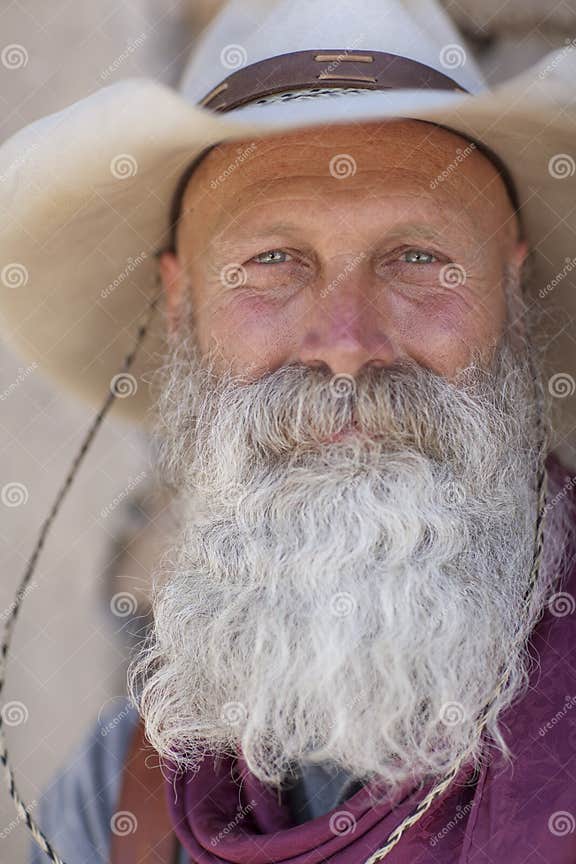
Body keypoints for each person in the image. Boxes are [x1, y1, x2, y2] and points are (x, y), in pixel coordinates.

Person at [1, 0, 575, 861]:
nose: (347, 345)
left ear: (511, 291)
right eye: (273, 262)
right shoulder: (120, 801)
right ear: (181, 303)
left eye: (418, 257)